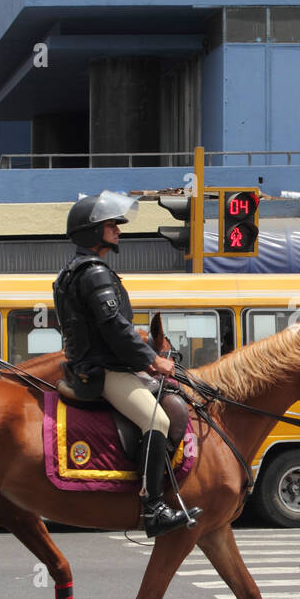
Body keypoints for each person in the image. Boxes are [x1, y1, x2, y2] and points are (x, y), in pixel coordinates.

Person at [53, 191, 196, 538]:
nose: (118, 229)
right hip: (105, 372)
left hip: (99, 364)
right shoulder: (94, 272)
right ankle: (153, 508)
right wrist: (152, 361)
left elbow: (113, 327)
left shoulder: (80, 270)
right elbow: (114, 328)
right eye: (111, 224)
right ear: (92, 231)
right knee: (157, 420)